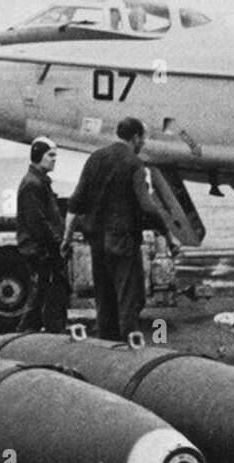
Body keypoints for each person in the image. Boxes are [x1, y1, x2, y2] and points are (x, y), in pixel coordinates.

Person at [62, 117, 175, 343]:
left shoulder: (94, 159)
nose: (143, 143)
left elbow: (74, 203)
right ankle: (129, 352)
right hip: (123, 243)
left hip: (96, 243)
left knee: (104, 301)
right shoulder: (135, 165)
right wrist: (169, 235)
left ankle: (107, 350)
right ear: (135, 138)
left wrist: (66, 238)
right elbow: (148, 206)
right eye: (143, 138)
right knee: (128, 300)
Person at [17, 137, 69, 332]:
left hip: (43, 250)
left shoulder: (38, 182)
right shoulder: (33, 184)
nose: (54, 160)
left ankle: (44, 335)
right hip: (42, 251)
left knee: (46, 295)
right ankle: (26, 335)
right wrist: (57, 243)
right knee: (42, 296)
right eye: (51, 155)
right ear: (39, 156)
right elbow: (37, 222)